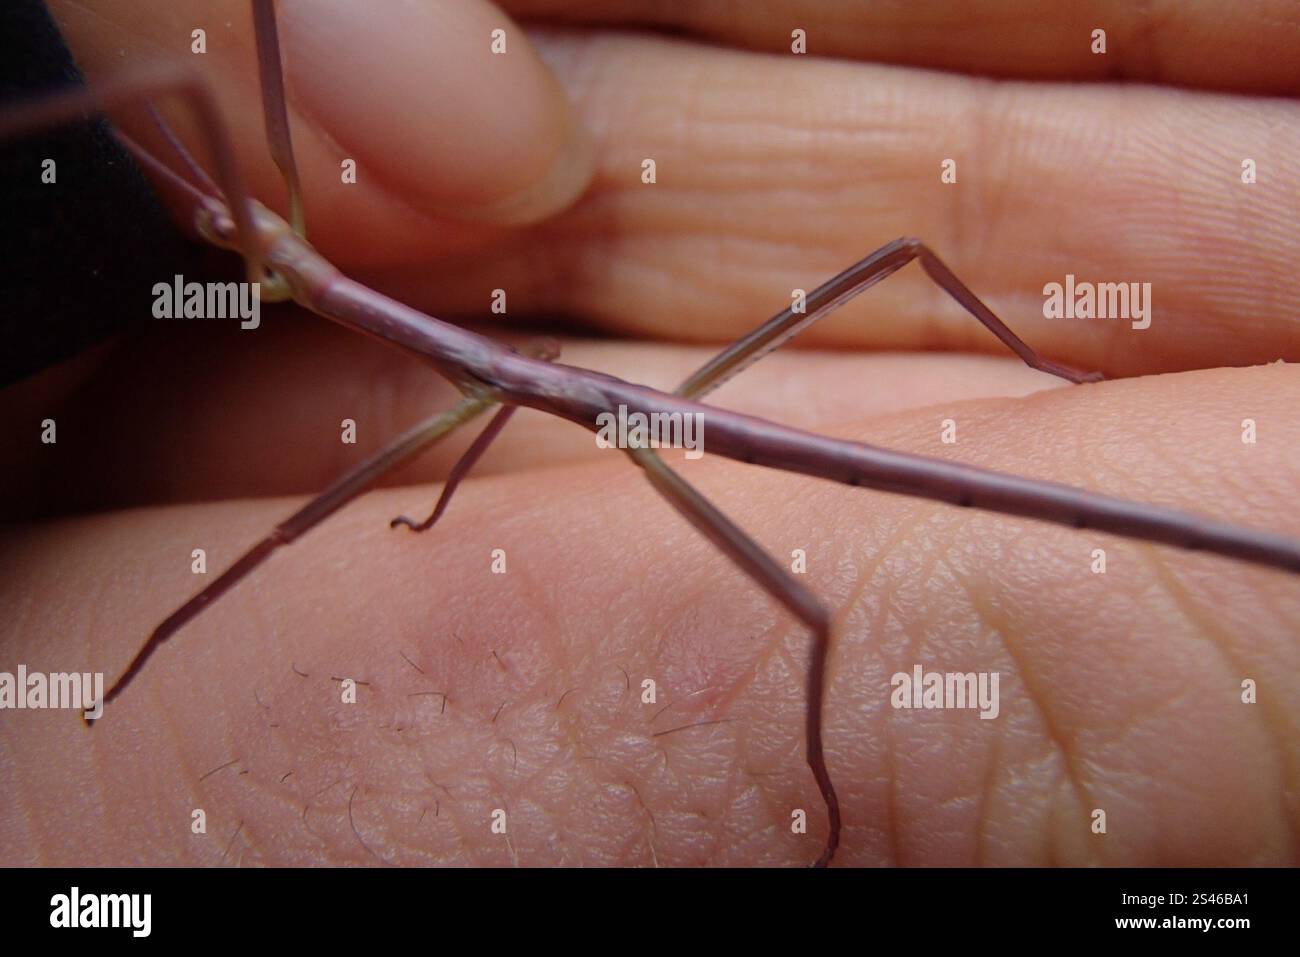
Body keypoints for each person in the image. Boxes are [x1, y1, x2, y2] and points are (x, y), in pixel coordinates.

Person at [2, 0, 1297, 866]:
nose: (247, 234)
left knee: (817, 602)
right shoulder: (400, 340)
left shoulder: (357, 307)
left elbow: (188, 69)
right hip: (573, 392)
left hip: (604, 402)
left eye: (252, 232)